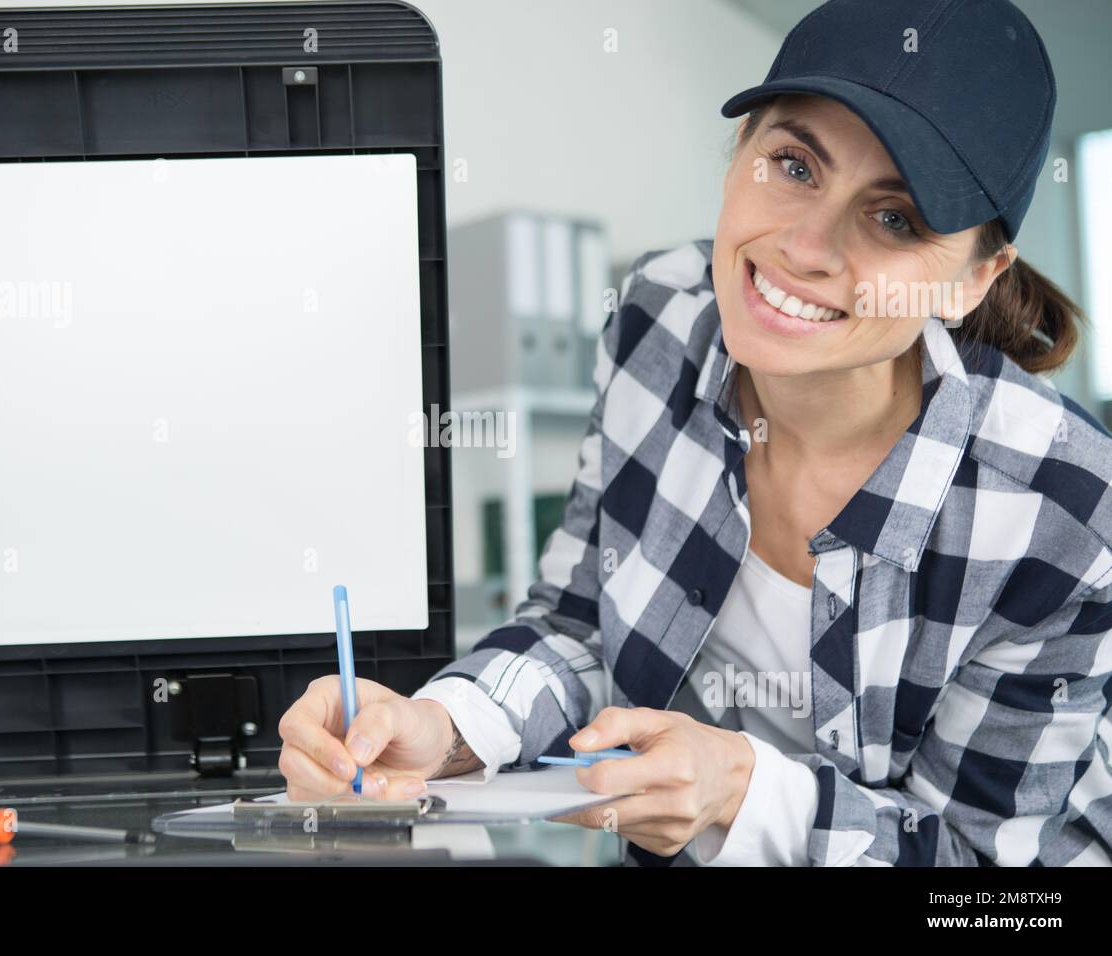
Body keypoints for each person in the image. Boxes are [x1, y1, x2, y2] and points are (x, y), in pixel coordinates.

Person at [276, 0, 1112, 866]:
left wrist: (746, 796)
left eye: (895, 217)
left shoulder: (1066, 511)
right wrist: (443, 729)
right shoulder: (659, 317)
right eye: (793, 165)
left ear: (975, 279)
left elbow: (981, 880)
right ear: (738, 155)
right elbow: (579, 624)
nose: (806, 245)